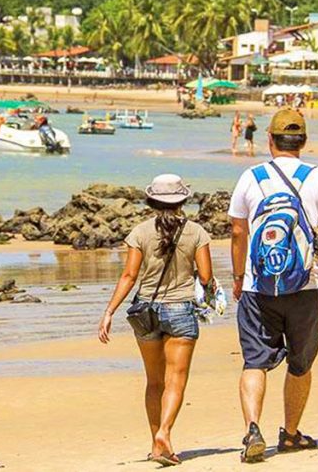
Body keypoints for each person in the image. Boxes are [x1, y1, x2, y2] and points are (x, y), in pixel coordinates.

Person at [228, 109, 318, 462]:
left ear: (269, 140)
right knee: (300, 363)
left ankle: (252, 429)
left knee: (254, 362)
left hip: (257, 287)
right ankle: (291, 434)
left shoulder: (252, 176)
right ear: (304, 141)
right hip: (305, 287)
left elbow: (237, 231)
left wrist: (237, 278)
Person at [99, 174, 214, 466]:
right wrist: (212, 293)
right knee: (175, 380)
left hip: (145, 310)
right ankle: (164, 433)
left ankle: (156, 446)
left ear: (151, 200)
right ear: (183, 200)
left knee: (154, 381)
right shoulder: (197, 232)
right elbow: (206, 276)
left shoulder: (139, 232)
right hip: (180, 310)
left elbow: (129, 276)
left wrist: (109, 311)